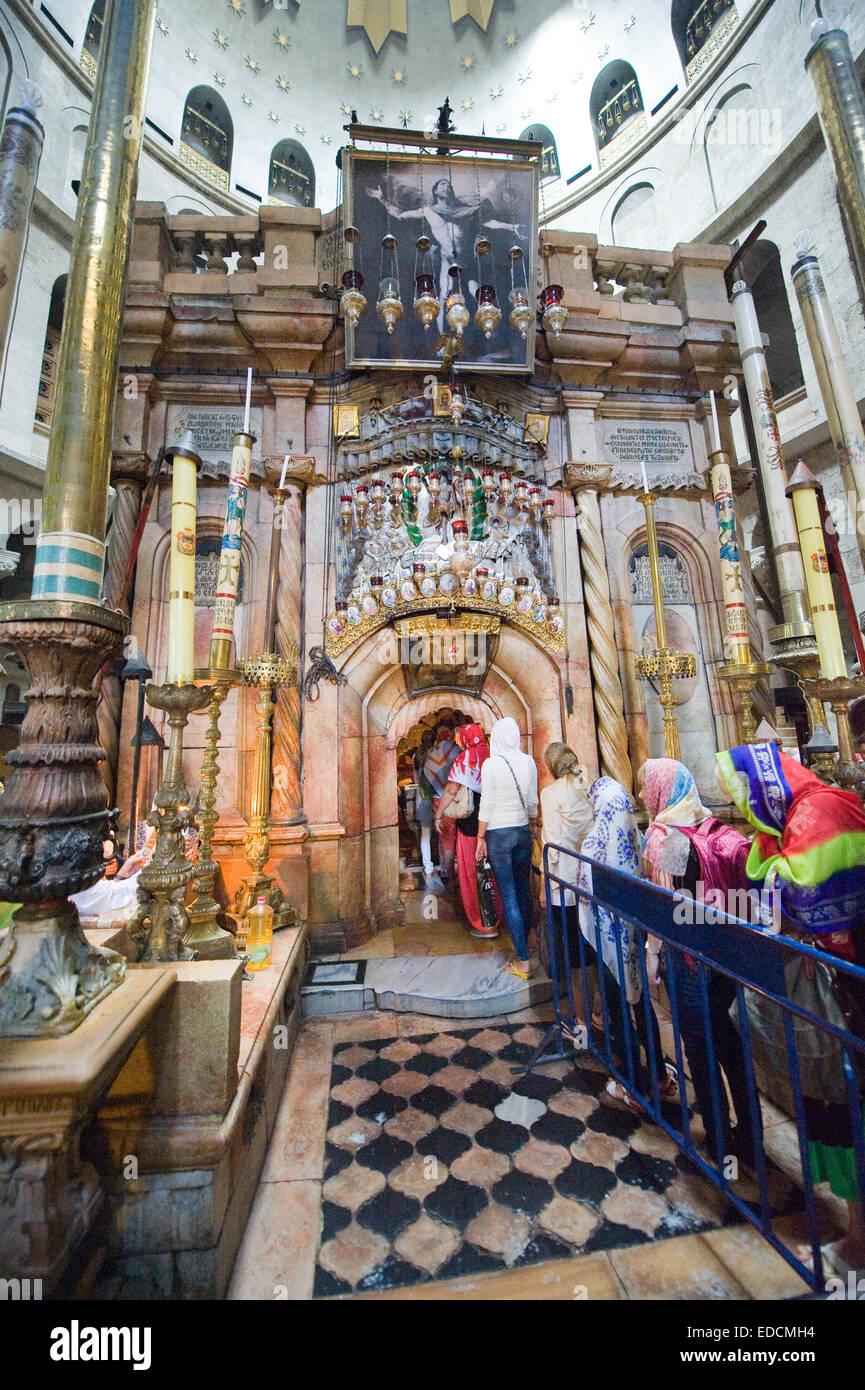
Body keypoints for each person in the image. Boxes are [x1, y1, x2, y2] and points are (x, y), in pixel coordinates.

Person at [716, 741, 865, 1272]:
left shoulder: (816, 813)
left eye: (745, 793)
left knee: (845, 1108)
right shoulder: (812, 809)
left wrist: (774, 859)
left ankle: (858, 1245)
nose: (745, 805)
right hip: (842, 981)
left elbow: (799, 895)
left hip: (842, 986)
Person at [640, 757, 762, 1168]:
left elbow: (663, 907)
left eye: (647, 786)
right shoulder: (714, 826)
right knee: (729, 1044)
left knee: (700, 1048)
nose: (642, 794)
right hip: (724, 957)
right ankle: (751, 1137)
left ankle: (719, 1140)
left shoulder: (663, 838)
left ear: (662, 791)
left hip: (687, 959)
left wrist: (652, 954)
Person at [576, 776, 669, 1108]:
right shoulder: (637, 837)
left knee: (616, 1005)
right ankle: (658, 1074)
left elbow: (583, 887)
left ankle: (628, 1080)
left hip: (607, 937)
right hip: (633, 936)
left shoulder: (596, 841)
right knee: (641, 1004)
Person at [476, 716, 539, 980]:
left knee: (509, 895)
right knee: (524, 890)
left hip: (498, 835)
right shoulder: (528, 761)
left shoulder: (491, 764)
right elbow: (533, 804)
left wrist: (480, 839)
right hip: (523, 831)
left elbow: (487, 804)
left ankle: (523, 960)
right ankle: (523, 948)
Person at [434, 723, 502, 938]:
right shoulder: (495, 757)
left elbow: (452, 789)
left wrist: (439, 814)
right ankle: (497, 918)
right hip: (496, 825)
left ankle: (482, 921)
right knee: (494, 873)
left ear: (464, 739)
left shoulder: (465, 759)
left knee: (474, 873)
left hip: (471, 827)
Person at [424, 723, 459, 886]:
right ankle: (462, 873)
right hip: (458, 799)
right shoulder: (457, 750)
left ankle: (448, 872)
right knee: (461, 836)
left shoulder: (430, 753)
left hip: (439, 799)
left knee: (445, 838)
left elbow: (426, 778)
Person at [412, 730, 437, 879]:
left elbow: (415, 779)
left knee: (425, 833)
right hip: (438, 794)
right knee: (442, 833)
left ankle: (428, 868)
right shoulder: (436, 754)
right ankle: (446, 869)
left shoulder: (416, 755)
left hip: (422, 795)